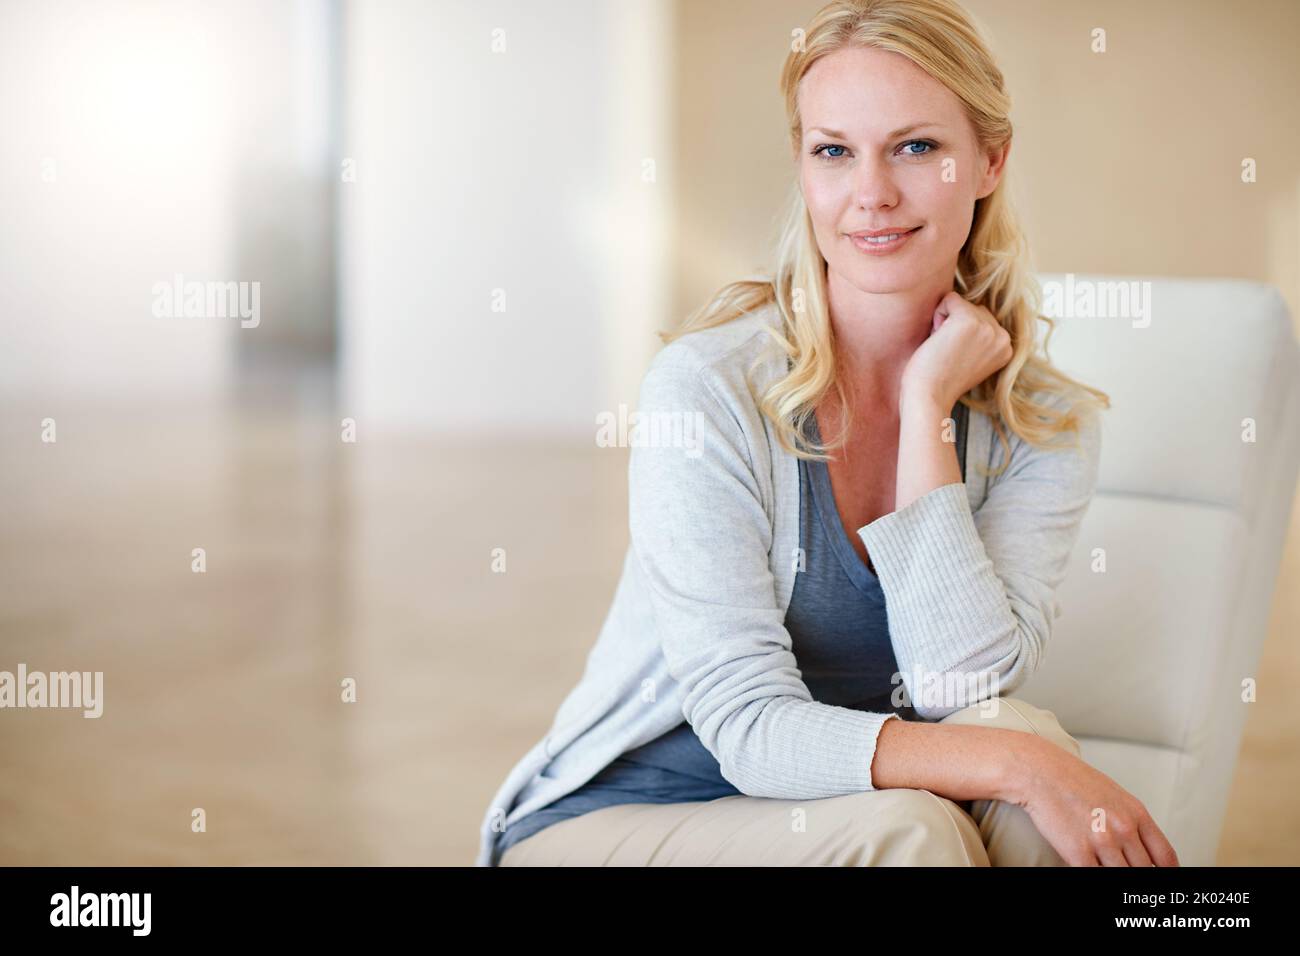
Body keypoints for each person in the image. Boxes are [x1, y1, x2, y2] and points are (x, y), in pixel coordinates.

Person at [476, 0, 1179, 867]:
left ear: (990, 160)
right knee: (955, 802)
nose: (871, 193)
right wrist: (1018, 759)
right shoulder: (707, 391)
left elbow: (959, 689)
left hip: (853, 814)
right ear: (804, 166)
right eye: (834, 151)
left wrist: (927, 415)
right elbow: (745, 725)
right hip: (621, 819)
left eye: (917, 147)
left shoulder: (1045, 425)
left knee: (1025, 794)